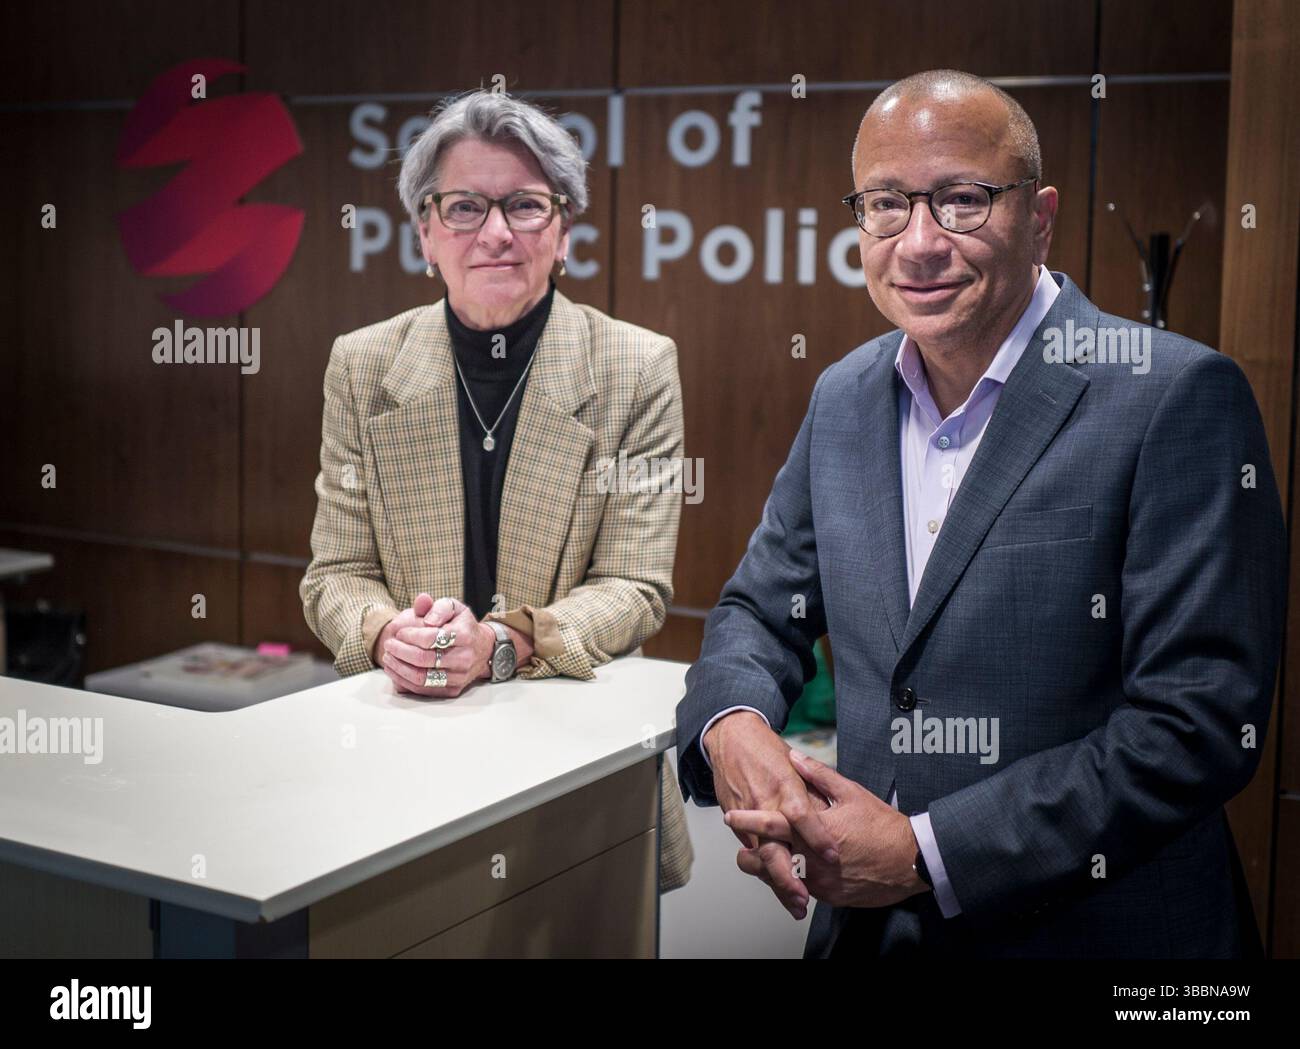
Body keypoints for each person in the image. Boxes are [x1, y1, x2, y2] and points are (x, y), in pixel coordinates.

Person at [675, 69, 1286, 956]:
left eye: (962, 199)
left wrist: (928, 851)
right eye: (886, 203)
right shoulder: (844, 396)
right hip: (870, 938)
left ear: (1039, 217)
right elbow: (757, 612)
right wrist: (732, 726)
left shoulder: (1177, 395)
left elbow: (1197, 726)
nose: (919, 242)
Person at [301, 89, 692, 891]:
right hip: (403, 749)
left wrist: (502, 645)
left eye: (525, 205)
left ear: (564, 232)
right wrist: (385, 636)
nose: (497, 232)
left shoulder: (636, 367)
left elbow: (636, 587)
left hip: (575, 755)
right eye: (465, 207)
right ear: (425, 233)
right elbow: (333, 574)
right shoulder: (363, 364)